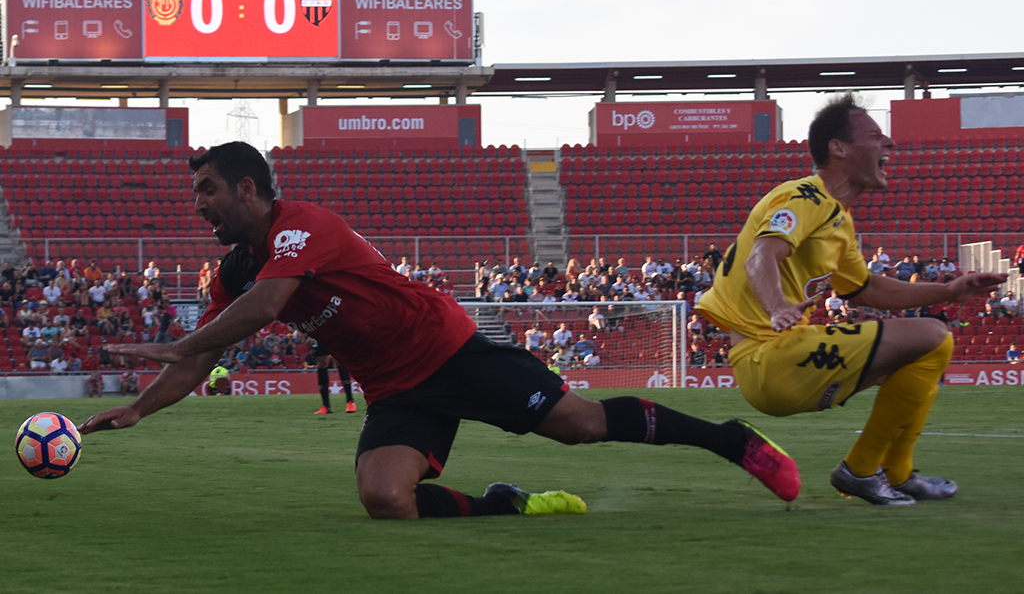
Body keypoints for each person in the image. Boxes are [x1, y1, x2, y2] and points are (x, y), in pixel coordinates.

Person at [80, 141, 799, 521]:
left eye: (206, 189)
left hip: (446, 349)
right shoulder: (234, 271)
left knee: (579, 424)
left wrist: (177, 346)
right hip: (396, 386)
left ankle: (731, 439)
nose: (196, 203)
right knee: (383, 498)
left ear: (246, 187)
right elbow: (207, 343)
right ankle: (504, 503)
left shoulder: (303, 226)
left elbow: (267, 309)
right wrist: (143, 404)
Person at [696, 94, 1006, 506]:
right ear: (838, 148)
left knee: (931, 345)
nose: (890, 143)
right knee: (933, 336)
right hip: (770, 357)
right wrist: (778, 308)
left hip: (783, 361)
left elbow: (867, 290)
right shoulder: (805, 197)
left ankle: (895, 474)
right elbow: (761, 255)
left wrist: (949, 290)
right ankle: (861, 470)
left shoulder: (838, 220)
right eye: (875, 136)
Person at [310, 337, 357, 414]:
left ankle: (350, 402)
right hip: (320, 332)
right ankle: (326, 405)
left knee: (339, 360)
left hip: (335, 332)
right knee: (322, 363)